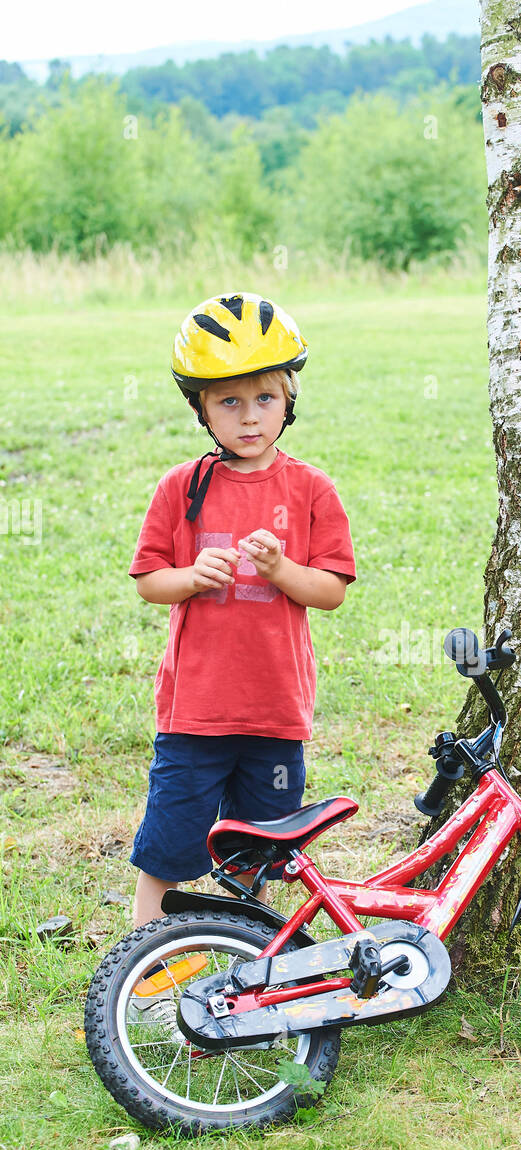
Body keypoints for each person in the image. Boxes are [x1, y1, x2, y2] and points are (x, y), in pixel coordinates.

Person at [127, 291, 356, 928]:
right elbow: (149, 580)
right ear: (201, 407)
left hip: (274, 714)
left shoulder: (311, 489)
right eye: (229, 401)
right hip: (194, 716)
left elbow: (331, 591)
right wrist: (191, 577)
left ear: (288, 401)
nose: (249, 417)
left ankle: (252, 960)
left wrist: (281, 570)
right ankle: (143, 968)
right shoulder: (181, 487)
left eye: (265, 399)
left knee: (263, 853)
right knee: (170, 847)